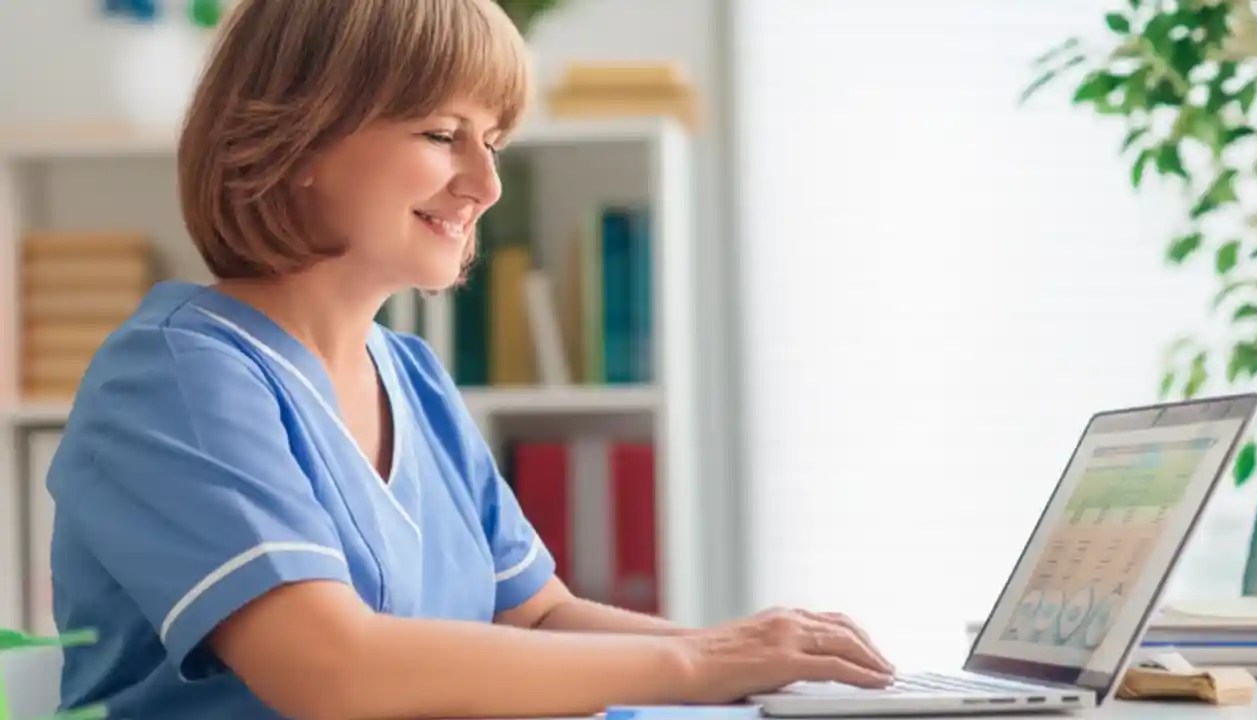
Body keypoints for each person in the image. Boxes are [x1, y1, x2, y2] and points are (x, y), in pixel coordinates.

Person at [45, 1, 895, 718]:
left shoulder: (411, 377)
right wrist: (696, 665)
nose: (485, 184)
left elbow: (534, 619)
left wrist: (762, 663)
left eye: (494, 140)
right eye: (442, 133)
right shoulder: (176, 377)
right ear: (296, 137)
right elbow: (328, 669)